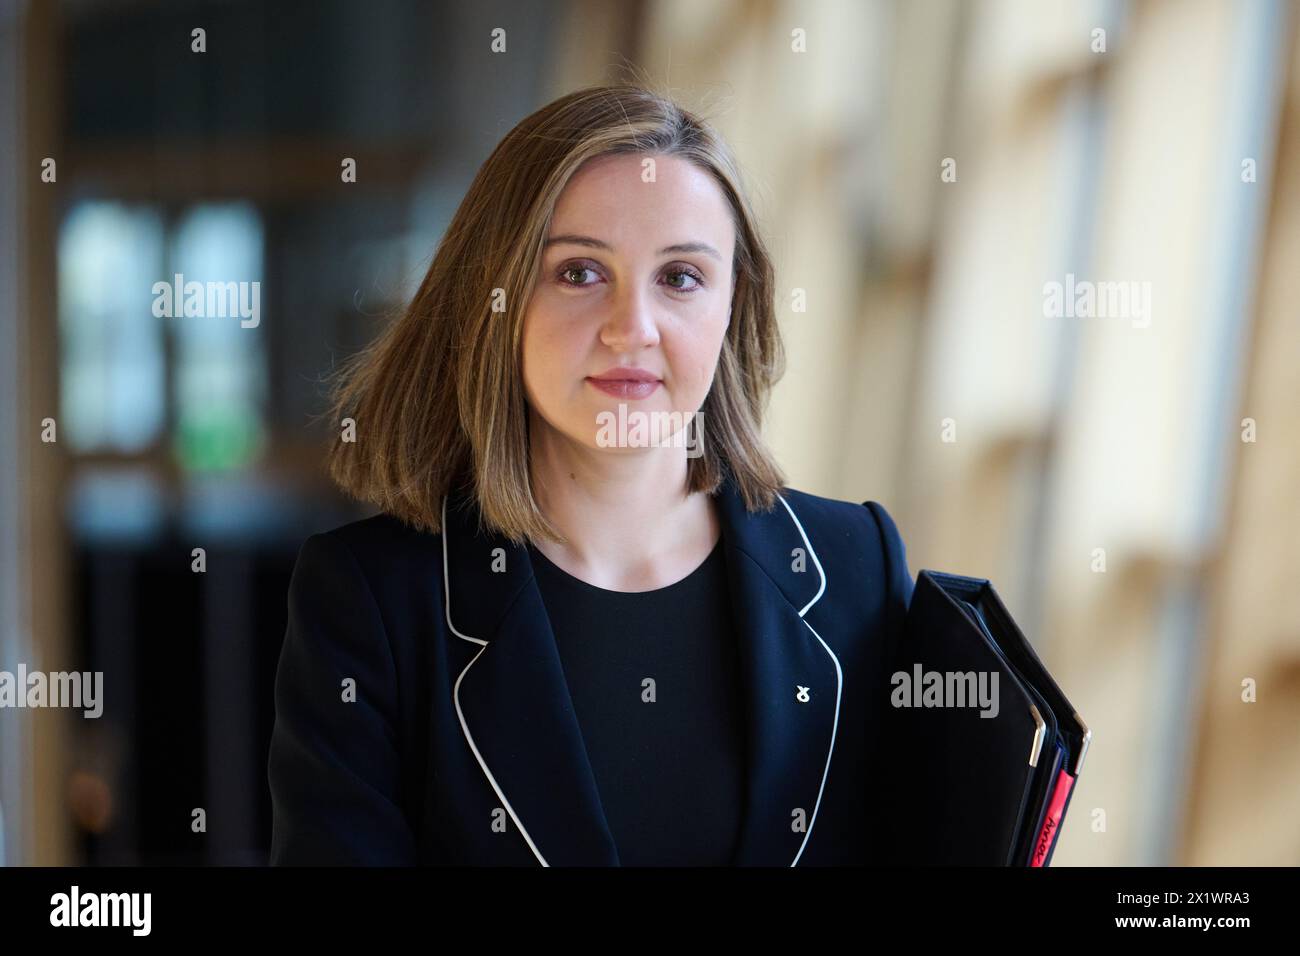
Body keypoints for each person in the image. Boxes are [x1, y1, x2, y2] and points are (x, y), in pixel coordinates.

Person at [267, 84, 915, 866]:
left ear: (730, 304)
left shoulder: (855, 569)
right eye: (579, 272)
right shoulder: (372, 599)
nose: (632, 329)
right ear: (495, 297)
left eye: (680, 277)